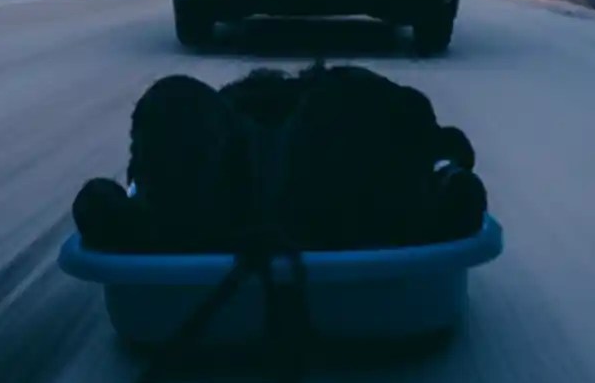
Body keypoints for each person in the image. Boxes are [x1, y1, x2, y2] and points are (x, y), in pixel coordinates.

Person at [73, 63, 486, 254]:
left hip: (215, 216)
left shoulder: (205, 117)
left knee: (174, 97)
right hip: (339, 210)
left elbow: (98, 207)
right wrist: (447, 169)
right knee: (357, 95)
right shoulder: (346, 98)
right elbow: (461, 191)